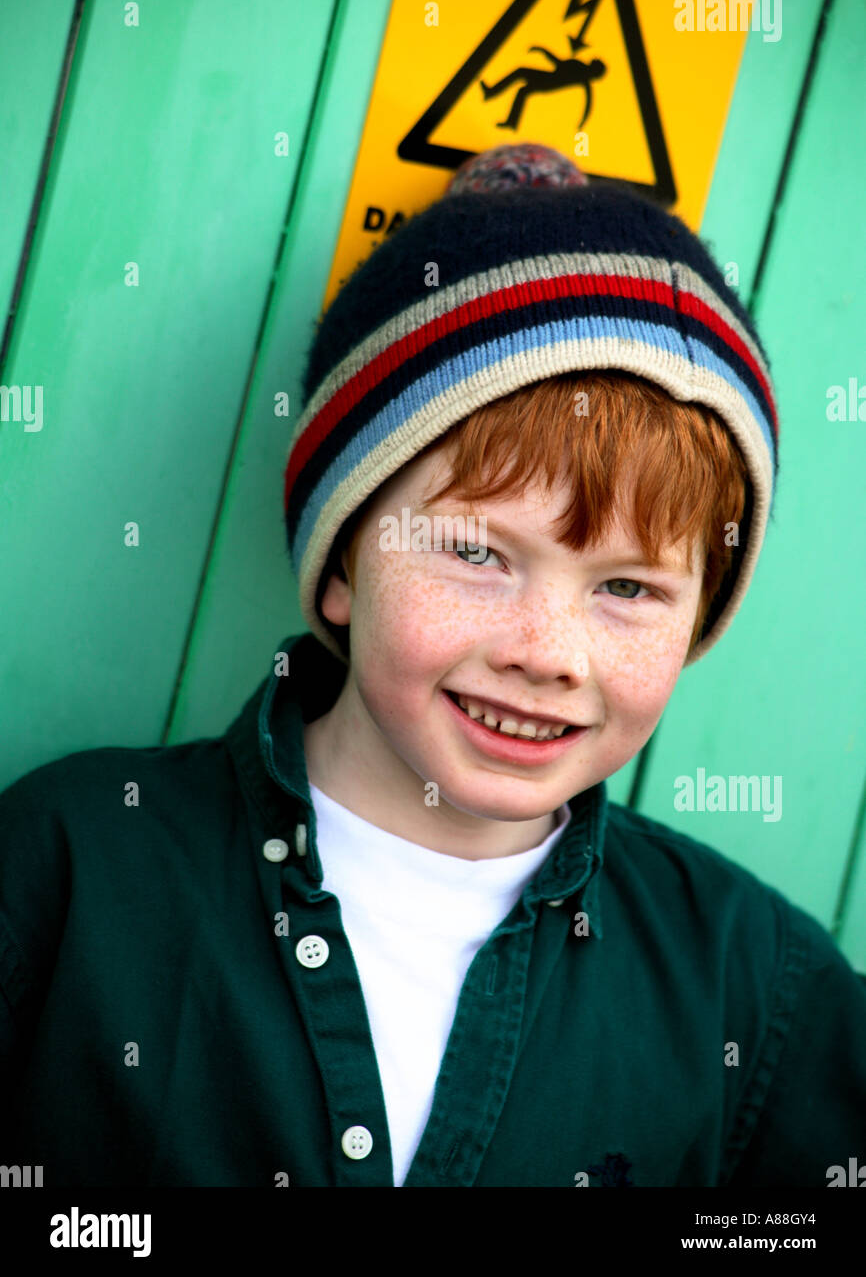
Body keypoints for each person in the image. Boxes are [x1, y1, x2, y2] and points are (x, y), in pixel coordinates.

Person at [1, 143, 864, 1188]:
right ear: (341, 564)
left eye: (627, 589)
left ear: (696, 622)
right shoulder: (71, 870)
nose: (545, 653)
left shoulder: (756, 992)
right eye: (475, 554)